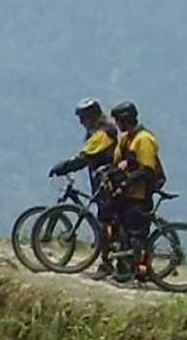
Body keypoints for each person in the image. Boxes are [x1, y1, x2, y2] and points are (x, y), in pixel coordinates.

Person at [49, 99, 119, 276]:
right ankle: (119, 262)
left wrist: (63, 167)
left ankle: (107, 264)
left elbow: (86, 157)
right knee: (109, 220)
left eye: (83, 117)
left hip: (110, 182)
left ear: (92, 116)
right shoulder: (96, 131)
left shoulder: (104, 133)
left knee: (106, 222)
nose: (81, 121)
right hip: (102, 181)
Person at [107, 101, 164, 282]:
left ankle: (140, 270)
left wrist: (126, 182)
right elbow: (118, 162)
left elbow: (147, 169)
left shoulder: (144, 139)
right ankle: (124, 269)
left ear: (125, 120)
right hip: (127, 194)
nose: (116, 124)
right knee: (121, 229)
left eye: (118, 120)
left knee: (136, 233)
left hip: (139, 195)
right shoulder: (126, 138)